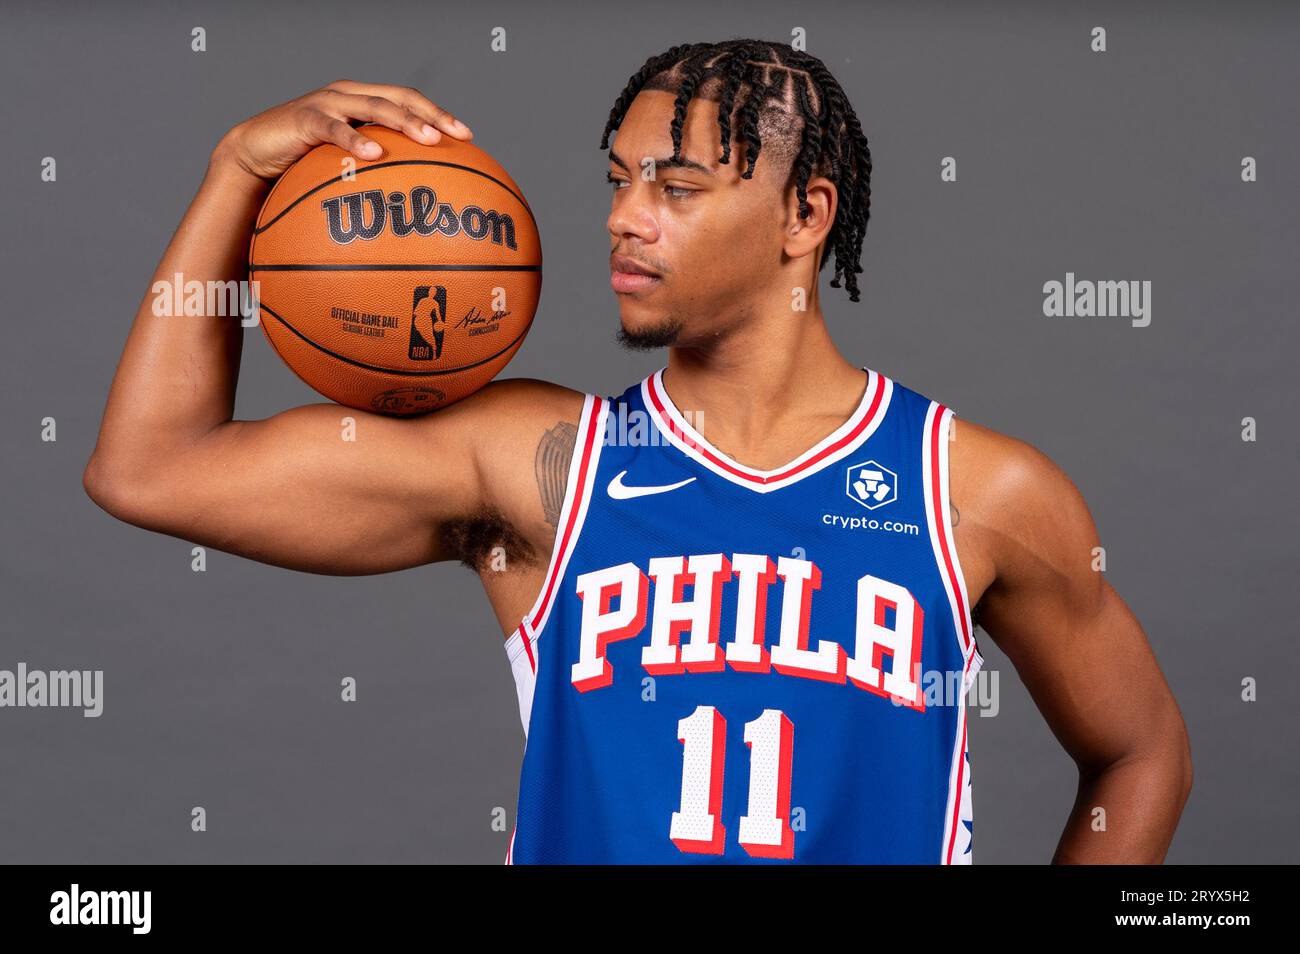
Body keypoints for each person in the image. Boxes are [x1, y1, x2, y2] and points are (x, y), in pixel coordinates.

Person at [84, 39, 1191, 864]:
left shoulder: (975, 492)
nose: (624, 217)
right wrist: (237, 170)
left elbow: (1139, 754)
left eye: (676, 186)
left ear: (805, 215)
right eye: (617, 180)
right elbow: (151, 467)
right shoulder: (543, 464)